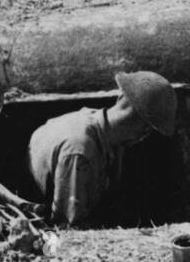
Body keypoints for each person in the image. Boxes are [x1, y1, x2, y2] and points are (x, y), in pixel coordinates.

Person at [27, 72, 178, 226]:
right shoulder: (80, 150)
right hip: (38, 212)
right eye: (147, 128)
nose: (145, 135)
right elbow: (68, 225)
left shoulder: (104, 128)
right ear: (143, 129)